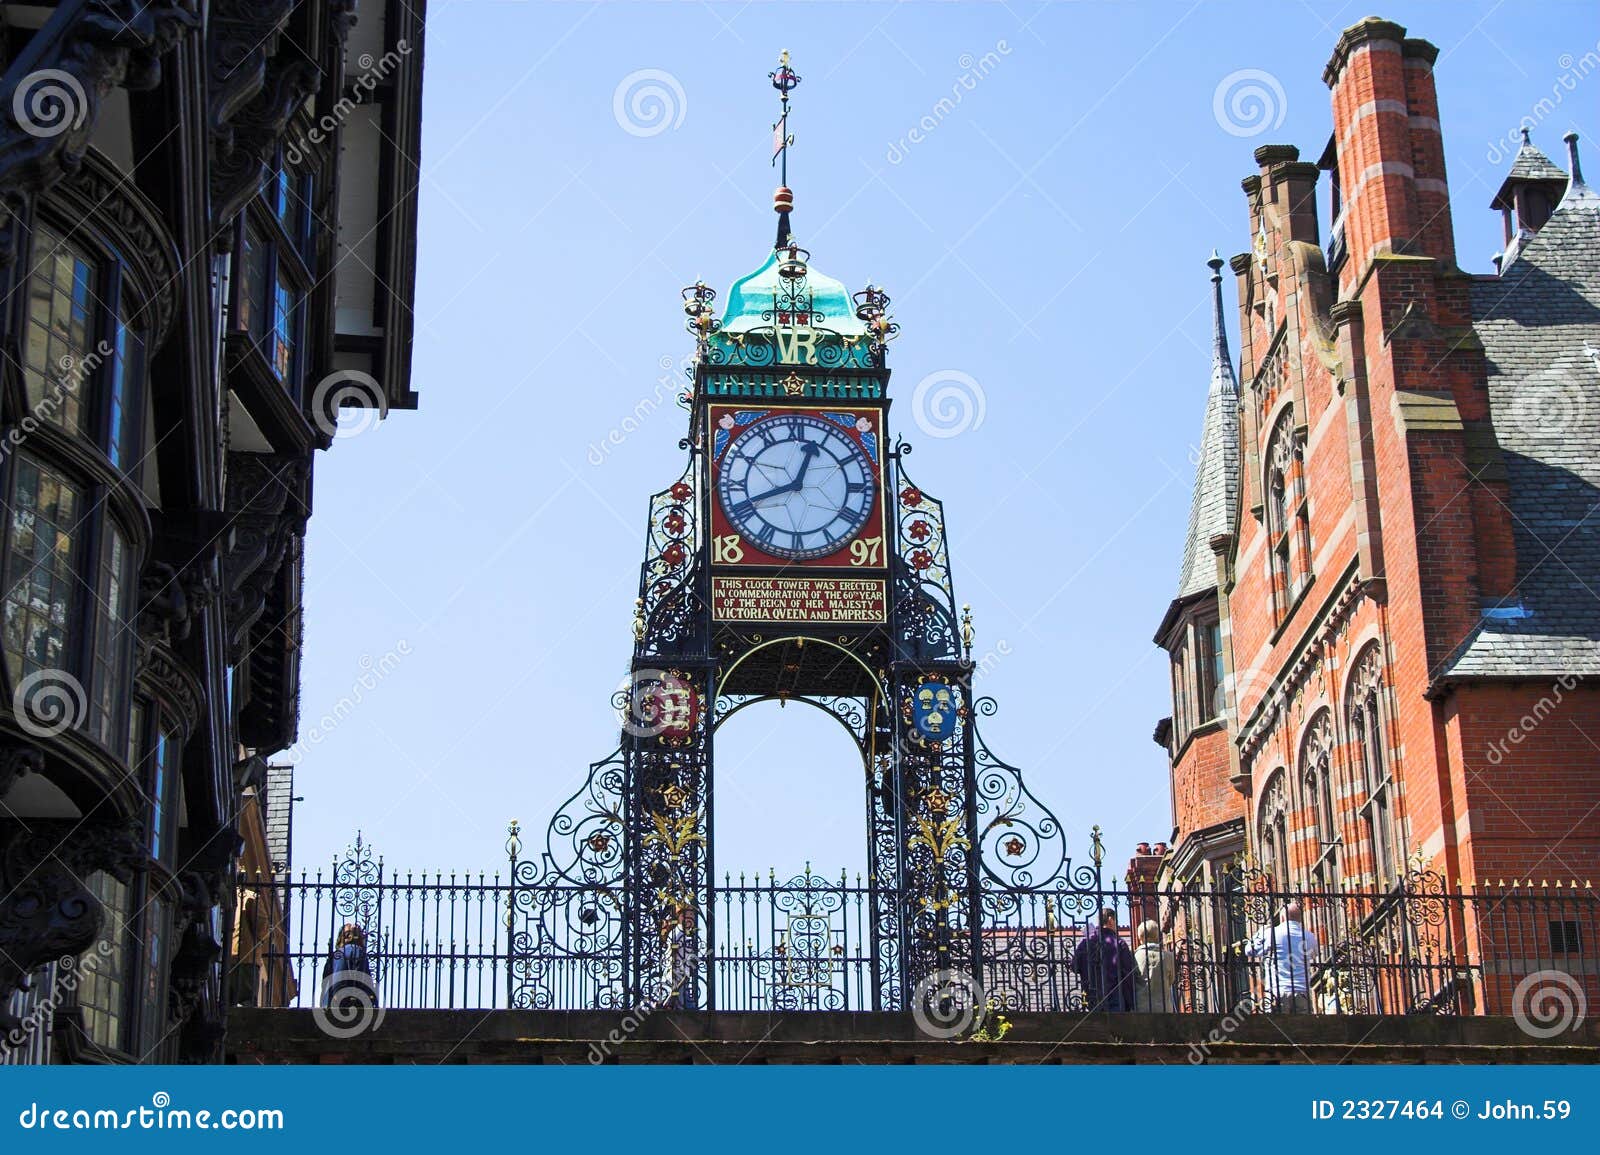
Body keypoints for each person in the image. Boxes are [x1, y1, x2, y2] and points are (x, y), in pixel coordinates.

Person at [1245, 901, 1318, 1012]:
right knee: (1303, 1027)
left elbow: (1250, 950)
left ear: (1282, 917)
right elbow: (1314, 955)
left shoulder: (1272, 933)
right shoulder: (1309, 937)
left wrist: (1261, 932)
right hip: (1302, 992)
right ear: (1300, 918)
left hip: (1278, 991)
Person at [1071, 907, 1136, 1011]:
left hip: (1091, 997)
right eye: (1115, 922)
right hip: (1115, 997)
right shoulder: (1119, 944)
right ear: (1110, 920)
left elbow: (1074, 966)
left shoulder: (1085, 943)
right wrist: (1130, 1003)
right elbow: (1127, 974)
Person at [321, 922, 375, 1009]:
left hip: (329, 1003)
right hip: (349, 1004)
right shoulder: (357, 951)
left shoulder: (334, 956)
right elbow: (363, 978)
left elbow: (325, 981)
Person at [1133, 919, 1177, 1012]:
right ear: (1157, 935)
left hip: (1142, 1008)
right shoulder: (1169, 956)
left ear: (1140, 937)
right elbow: (1172, 979)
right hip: (1164, 1008)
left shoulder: (1135, 956)